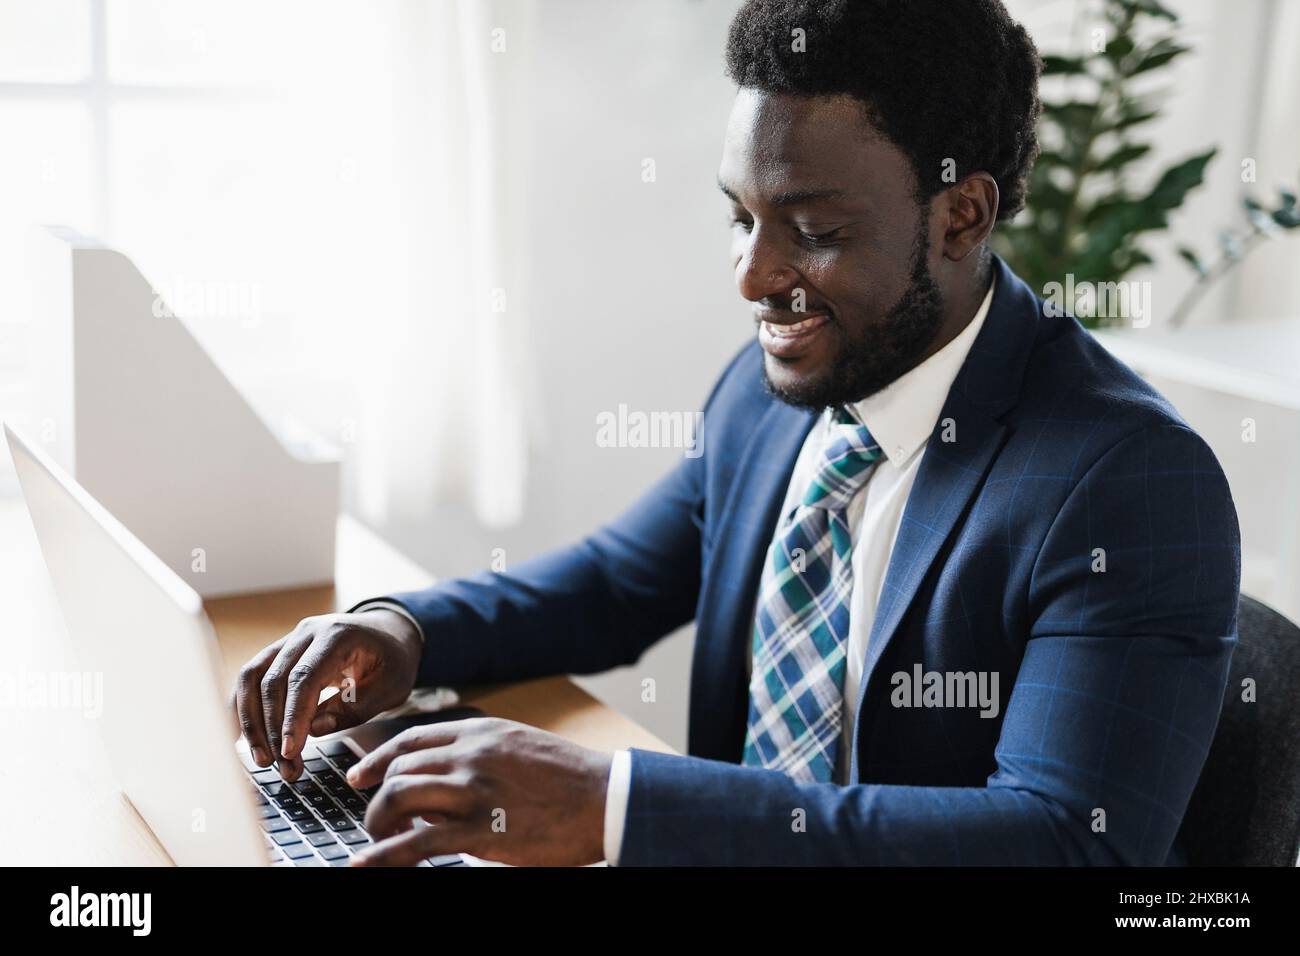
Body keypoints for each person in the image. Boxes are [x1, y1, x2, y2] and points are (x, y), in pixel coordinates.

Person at [232, 0, 1240, 866]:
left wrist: (613, 805)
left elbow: (1065, 841)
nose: (753, 275)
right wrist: (403, 631)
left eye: (812, 228)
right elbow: (615, 584)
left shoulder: (1125, 477)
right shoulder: (774, 392)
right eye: (739, 216)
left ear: (960, 216)